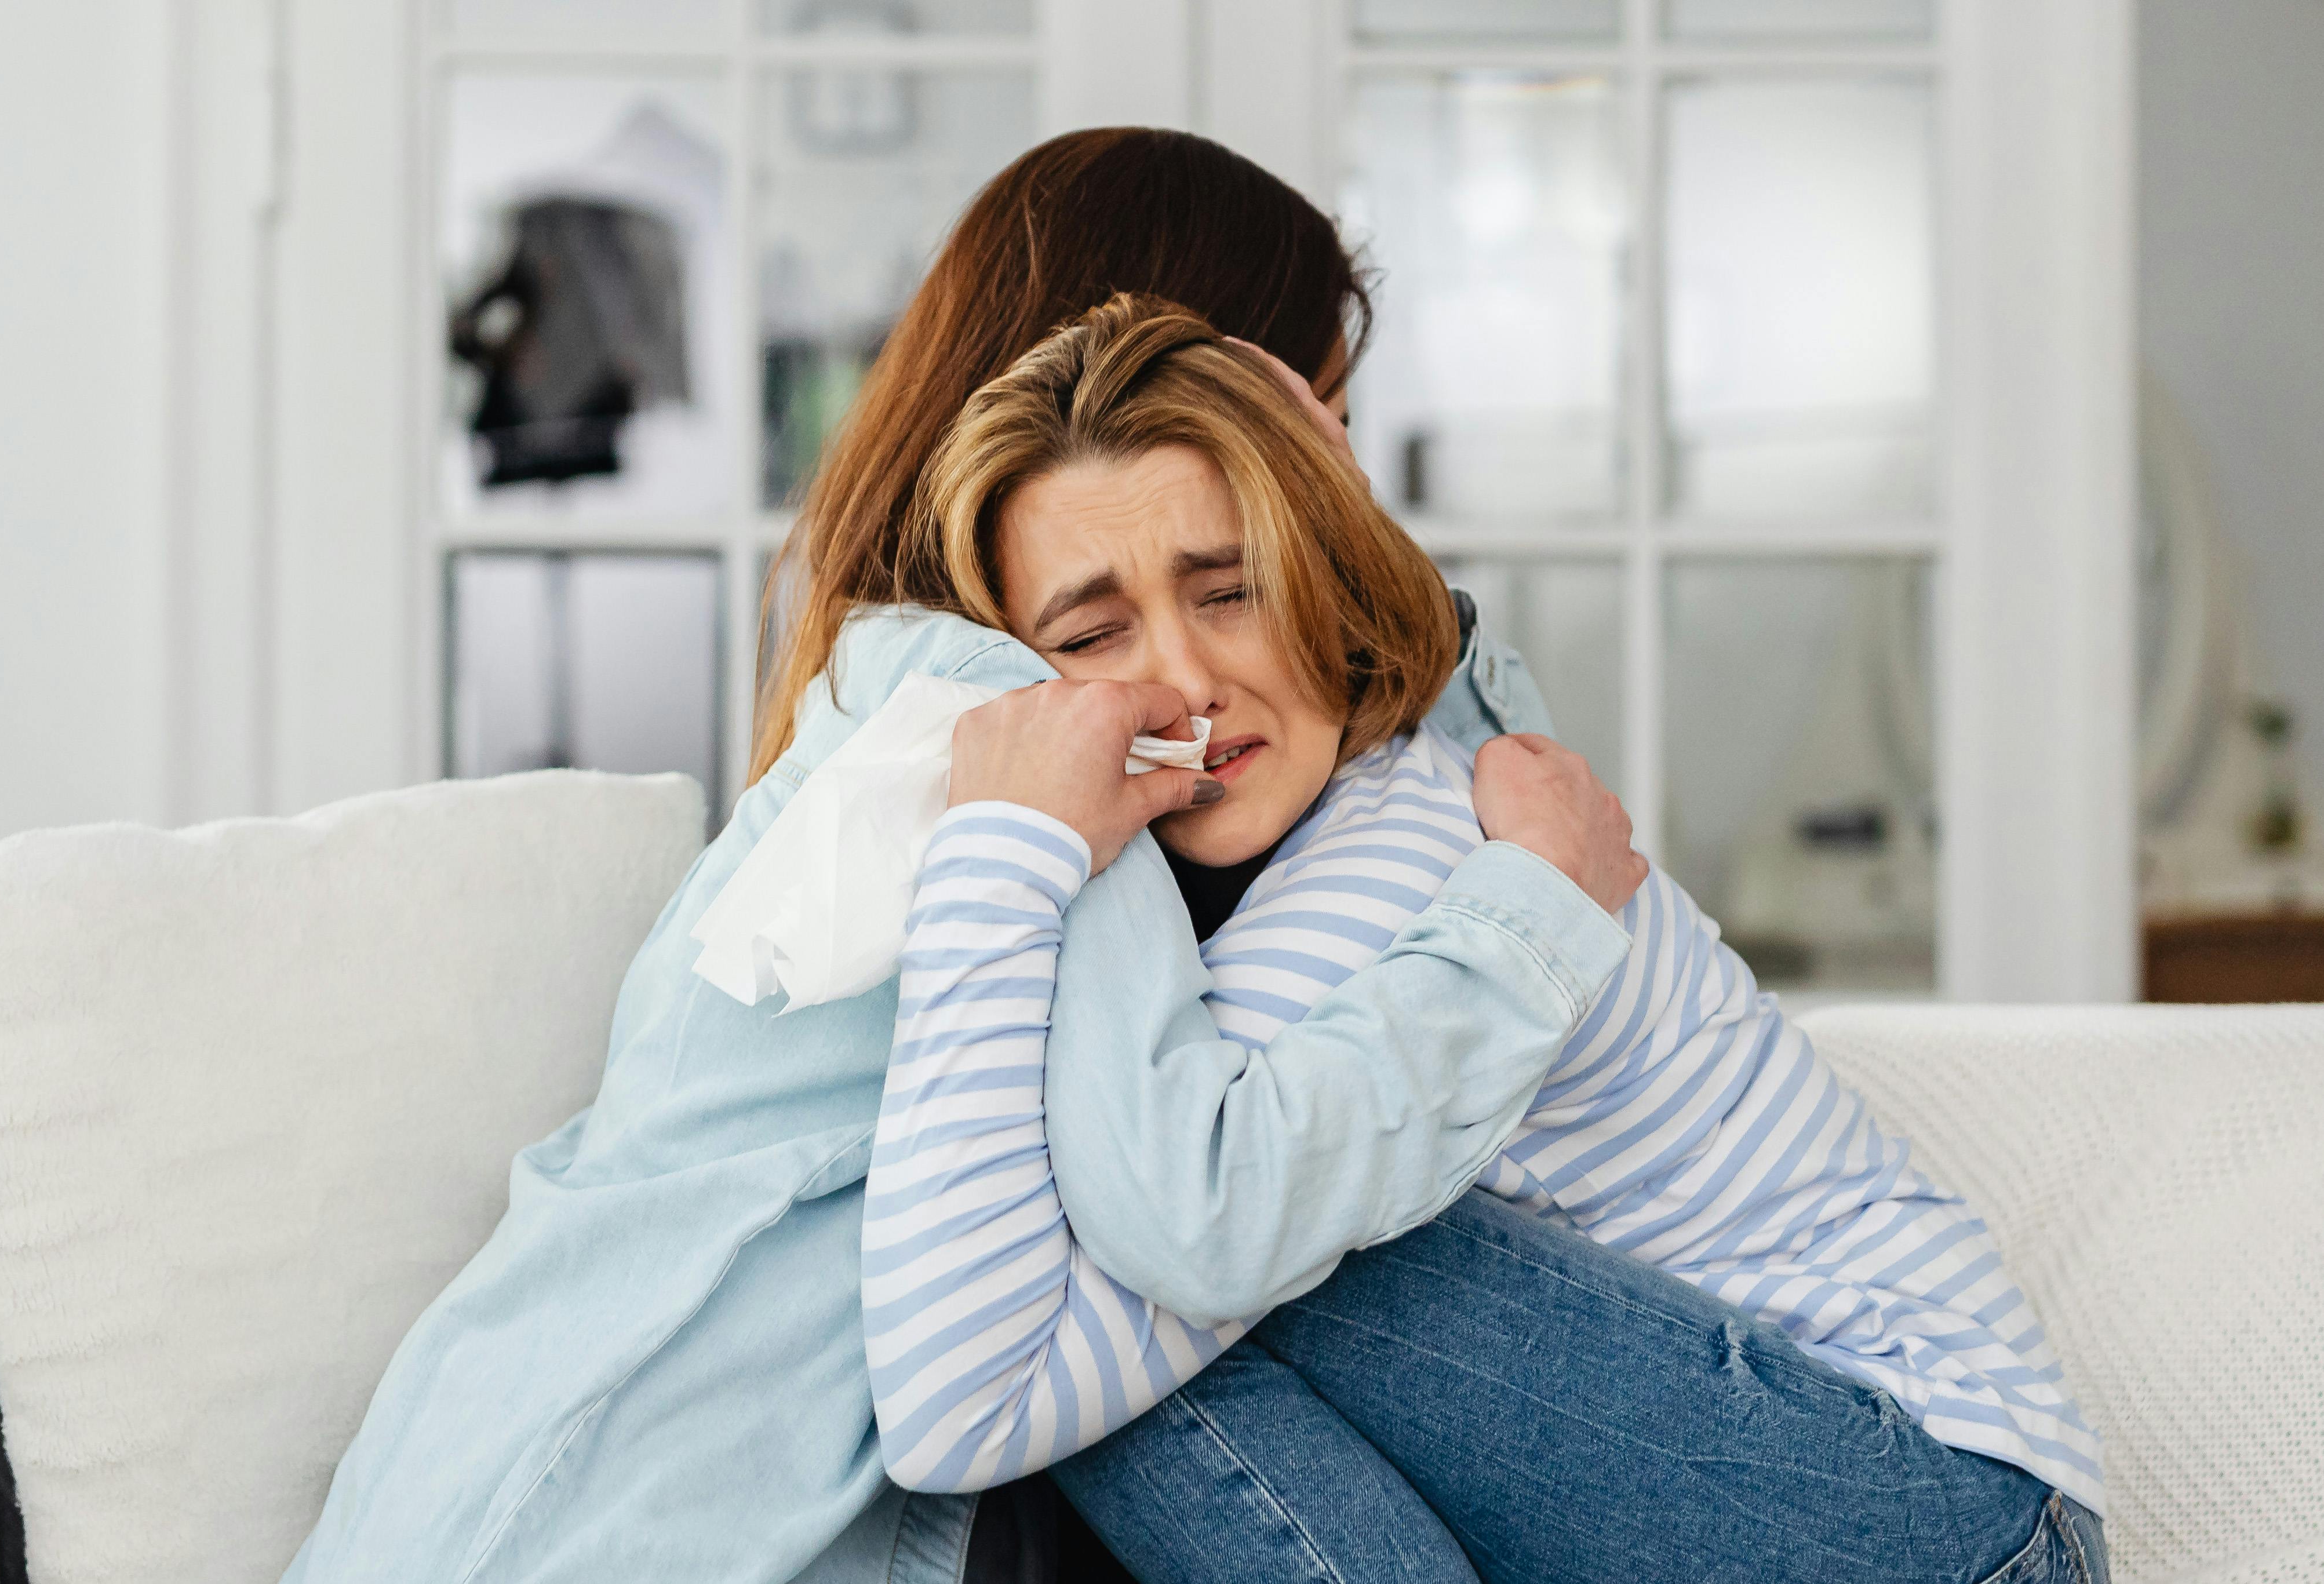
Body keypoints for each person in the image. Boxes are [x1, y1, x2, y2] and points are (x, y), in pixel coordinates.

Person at [282, 130, 1645, 1584]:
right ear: (1210, 400)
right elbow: (1201, 1206)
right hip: (601, 1526)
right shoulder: (1033, 727)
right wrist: (1535, 915)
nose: (1346, 474)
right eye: (1326, 420)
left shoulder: (940, 672)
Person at [861, 294, 2108, 1583]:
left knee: (1184, 1227)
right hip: (1827, 1515)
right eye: (1091, 635)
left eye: (1231, 589)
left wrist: (1002, 854)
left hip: (1938, 1517)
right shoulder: (1268, 885)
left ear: (1327, 579)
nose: (1183, 680)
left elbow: (965, 1401)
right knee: (1187, 1222)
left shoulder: (1402, 847)